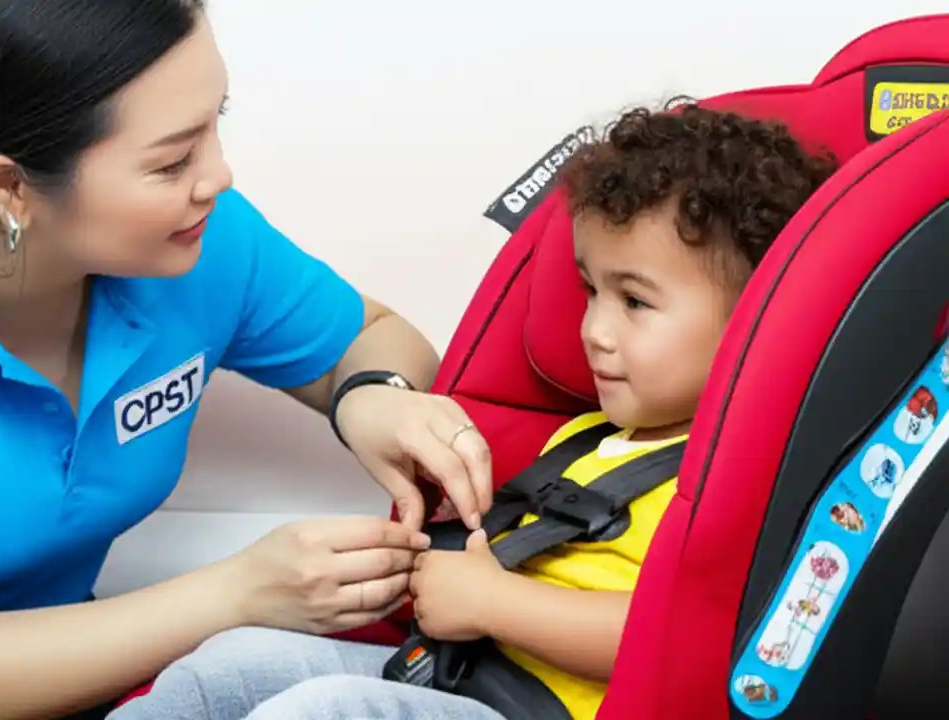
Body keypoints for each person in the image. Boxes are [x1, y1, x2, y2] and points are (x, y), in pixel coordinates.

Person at [0, 2, 497, 718]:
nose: (219, 176)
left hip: (43, 640)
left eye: (218, 122)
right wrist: (242, 591)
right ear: (7, 187)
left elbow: (373, 335)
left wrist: (369, 396)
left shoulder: (195, 241)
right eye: (172, 160)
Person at [109, 103, 838, 720]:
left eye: (635, 301)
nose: (594, 330)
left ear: (758, 318)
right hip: (454, 672)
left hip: (541, 706)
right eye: (591, 291)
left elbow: (687, 634)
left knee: (326, 712)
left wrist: (494, 605)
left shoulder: (742, 479)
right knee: (231, 665)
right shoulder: (592, 438)